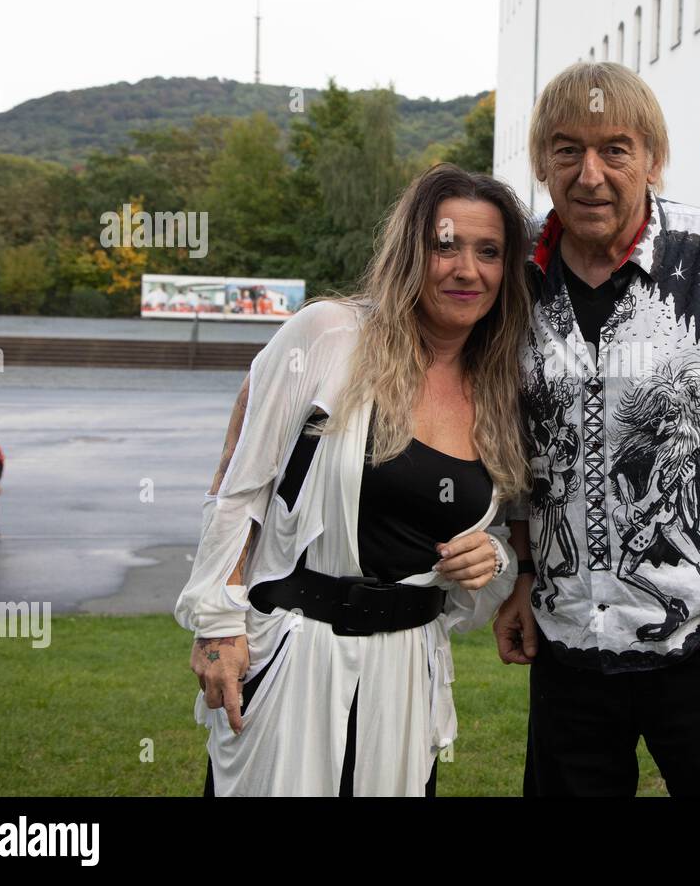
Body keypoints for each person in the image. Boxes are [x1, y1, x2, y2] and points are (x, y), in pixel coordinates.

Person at [493, 62, 700, 796]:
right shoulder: (514, 273)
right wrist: (521, 575)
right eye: (566, 149)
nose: (590, 174)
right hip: (569, 643)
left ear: (652, 158)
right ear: (541, 162)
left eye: (615, 149)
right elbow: (519, 444)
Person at [177, 163, 534, 796]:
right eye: (444, 244)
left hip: (405, 676)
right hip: (296, 659)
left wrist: (490, 558)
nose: (466, 269)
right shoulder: (332, 334)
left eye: (489, 252)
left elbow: (478, 557)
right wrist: (217, 623)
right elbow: (241, 484)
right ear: (410, 251)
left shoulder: (499, 387)